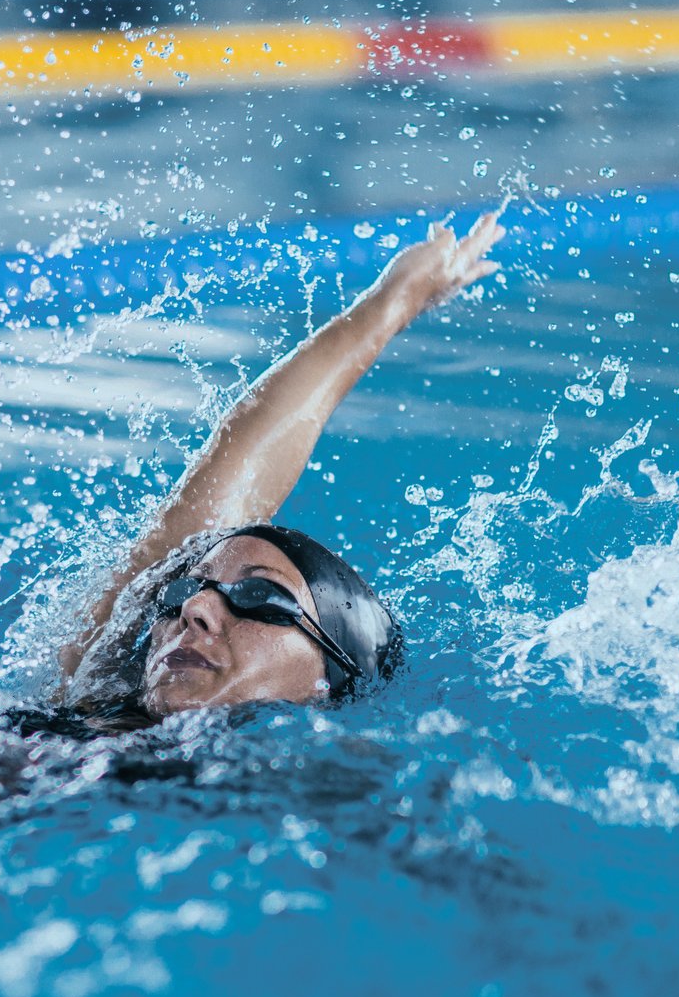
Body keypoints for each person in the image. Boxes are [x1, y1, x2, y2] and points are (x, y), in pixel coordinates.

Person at [54, 210, 507, 733]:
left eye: (259, 597)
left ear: (331, 677)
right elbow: (180, 536)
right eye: (179, 593)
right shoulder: (87, 708)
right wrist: (392, 302)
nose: (194, 607)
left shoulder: (346, 793)